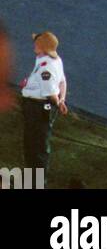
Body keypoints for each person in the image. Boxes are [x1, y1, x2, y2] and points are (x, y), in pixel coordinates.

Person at [21, 30, 67, 177]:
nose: (34, 45)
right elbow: (62, 81)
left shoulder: (46, 68)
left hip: (37, 109)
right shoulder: (54, 59)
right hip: (38, 107)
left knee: (34, 149)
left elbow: (50, 94)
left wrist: (58, 102)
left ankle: (35, 184)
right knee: (34, 146)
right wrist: (62, 100)